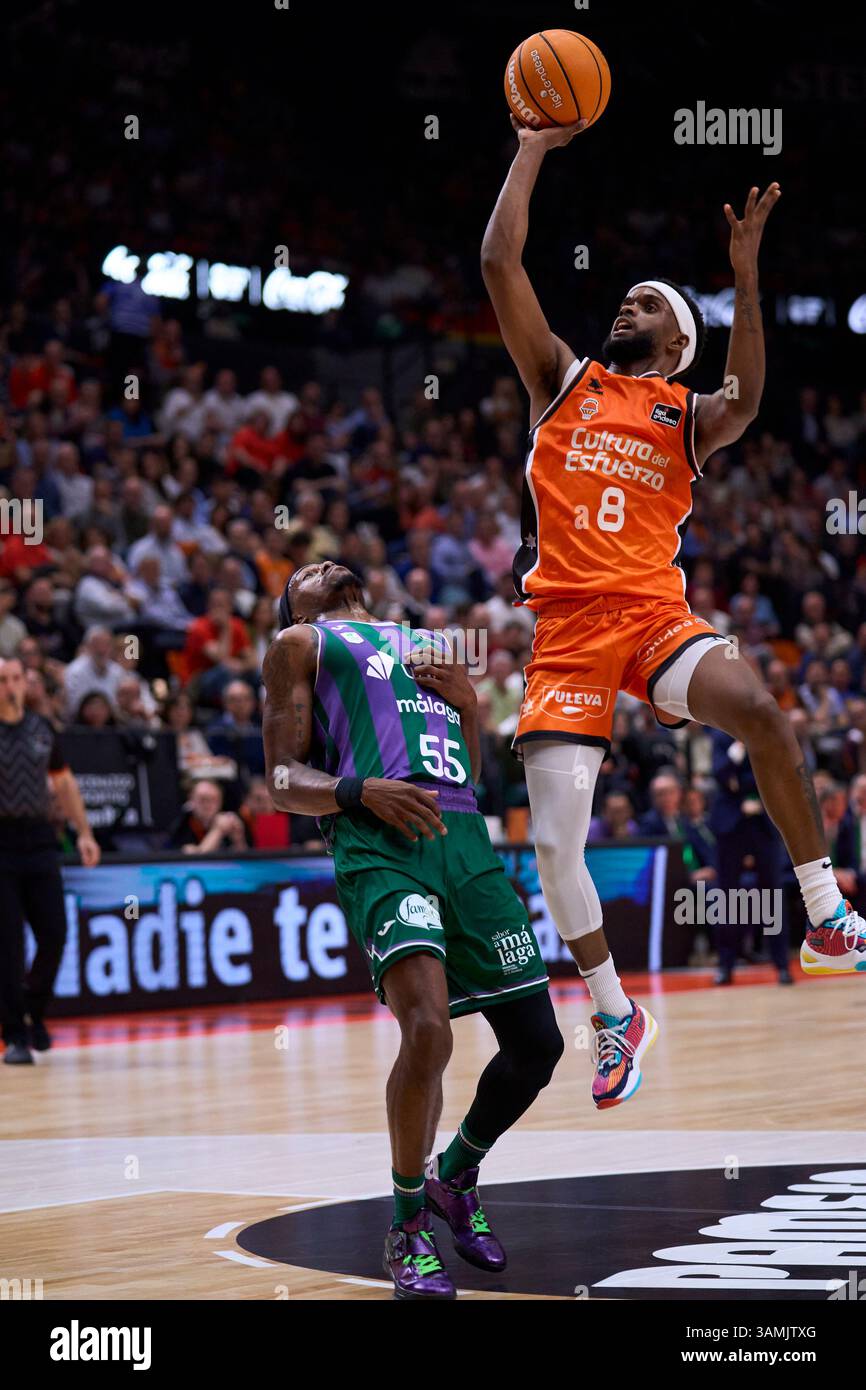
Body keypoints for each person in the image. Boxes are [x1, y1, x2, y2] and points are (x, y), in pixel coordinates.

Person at [481, 114, 864, 1107]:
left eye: (644, 302)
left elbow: (743, 395)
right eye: (622, 296)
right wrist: (531, 144)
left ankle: (820, 904)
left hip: (652, 618)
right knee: (553, 852)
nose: (626, 305)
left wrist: (743, 272)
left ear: (675, 340)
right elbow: (496, 260)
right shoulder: (558, 379)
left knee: (761, 709)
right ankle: (615, 1013)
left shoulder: (685, 413)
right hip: (563, 633)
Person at [262, 560, 562, 1300]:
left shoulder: (428, 642)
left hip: (465, 842)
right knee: (429, 1031)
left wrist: (471, 714)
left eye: (329, 562)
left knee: (540, 1045)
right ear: (290, 607)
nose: (323, 565)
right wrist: (356, 790)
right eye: (304, 571)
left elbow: (470, 768)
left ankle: (455, 1174)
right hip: (378, 842)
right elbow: (277, 780)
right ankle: (405, 1227)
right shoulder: (301, 645)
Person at [0, 656, 100, 1064]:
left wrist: (85, 832)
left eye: (15, 678)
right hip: (1, 843)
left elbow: (63, 782)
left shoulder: (42, 728)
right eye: (3, 679)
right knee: (7, 946)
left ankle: (33, 1009)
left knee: (55, 935)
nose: (9, 685)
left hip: (40, 839)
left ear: (26, 683)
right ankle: (16, 1036)